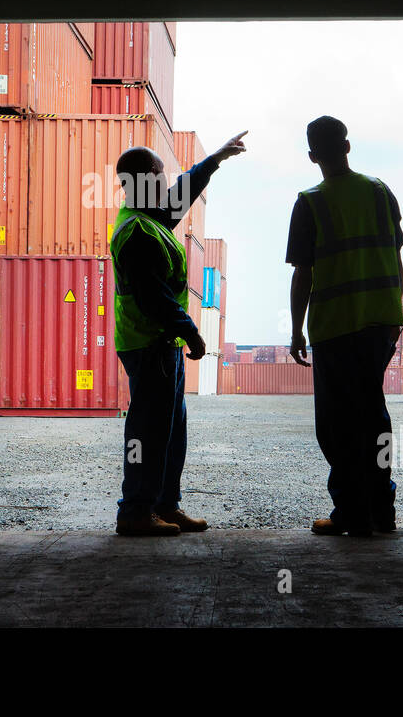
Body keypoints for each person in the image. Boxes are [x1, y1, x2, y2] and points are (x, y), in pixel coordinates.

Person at [109, 131, 248, 535]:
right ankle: (135, 511)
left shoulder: (151, 218)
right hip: (148, 343)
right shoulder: (137, 230)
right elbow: (155, 299)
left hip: (160, 345)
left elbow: (181, 194)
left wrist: (215, 159)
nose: (165, 181)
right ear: (140, 181)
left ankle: (165, 506)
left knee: (170, 432)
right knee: (148, 433)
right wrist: (193, 332)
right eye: (158, 174)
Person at [286, 116, 403, 536]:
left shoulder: (309, 201)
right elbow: (396, 257)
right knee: (374, 418)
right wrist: (394, 314)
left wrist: (297, 329)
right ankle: (382, 510)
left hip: (335, 329)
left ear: (312, 155)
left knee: (337, 426)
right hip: (378, 326)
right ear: (348, 146)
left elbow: (304, 273)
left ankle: (352, 512)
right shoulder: (379, 191)